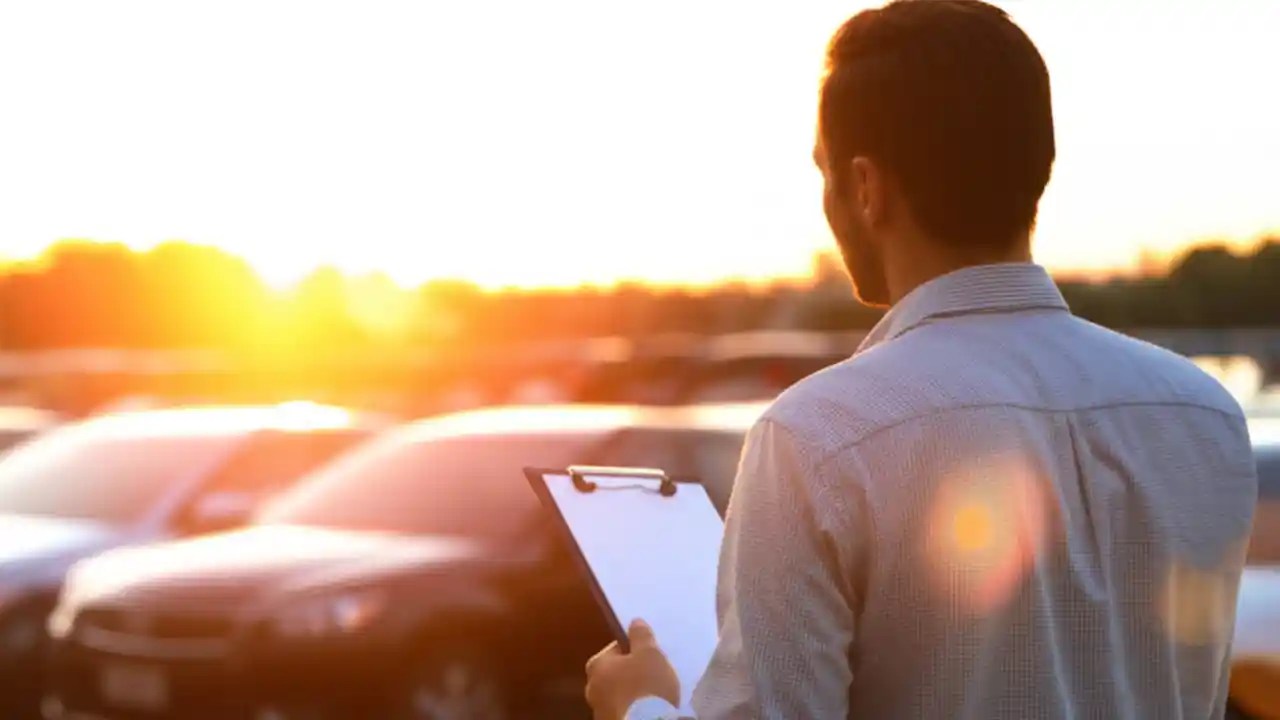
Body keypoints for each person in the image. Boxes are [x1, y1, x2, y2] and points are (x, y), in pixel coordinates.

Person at [584, 1, 1259, 718]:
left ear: (866, 188)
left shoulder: (816, 440)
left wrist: (641, 707)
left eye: (826, 172)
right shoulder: (1204, 417)